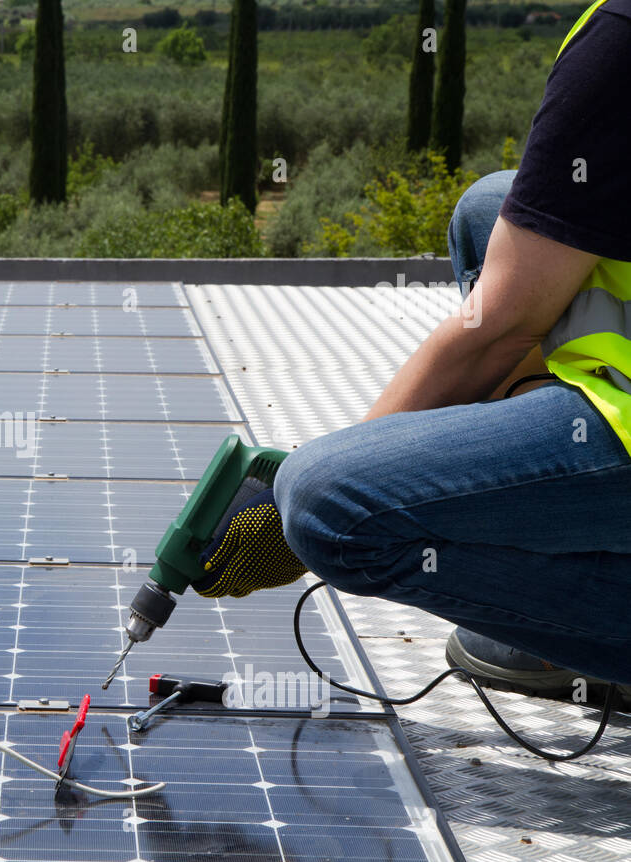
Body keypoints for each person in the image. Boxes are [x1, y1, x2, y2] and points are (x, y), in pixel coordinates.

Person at [200, 0, 631, 703]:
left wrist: (291, 522)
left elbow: (498, 330)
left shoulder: (618, 41)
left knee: (327, 502)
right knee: (493, 212)